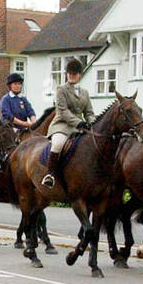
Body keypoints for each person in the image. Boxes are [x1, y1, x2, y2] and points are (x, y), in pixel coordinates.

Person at [43, 59, 94, 188]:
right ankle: (50, 174)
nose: (71, 76)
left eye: (74, 74)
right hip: (62, 125)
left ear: (79, 75)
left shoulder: (85, 93)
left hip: (79, 128)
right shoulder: (61, 89)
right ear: (66, 74)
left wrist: (93, 123)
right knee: (58, 144)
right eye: (69, 73)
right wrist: (79, 122)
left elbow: (89, 112)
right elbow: (63, 111)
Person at [0, 72, 36, 137]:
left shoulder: (23, 99)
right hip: (9, 131)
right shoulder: (5, 99)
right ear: (10, 86)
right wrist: (24, 123)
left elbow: (30, 111)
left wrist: (34, 122)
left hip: (23, 130)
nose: (18, 86)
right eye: (15, 84)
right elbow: (9, 117)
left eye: (19, 84)